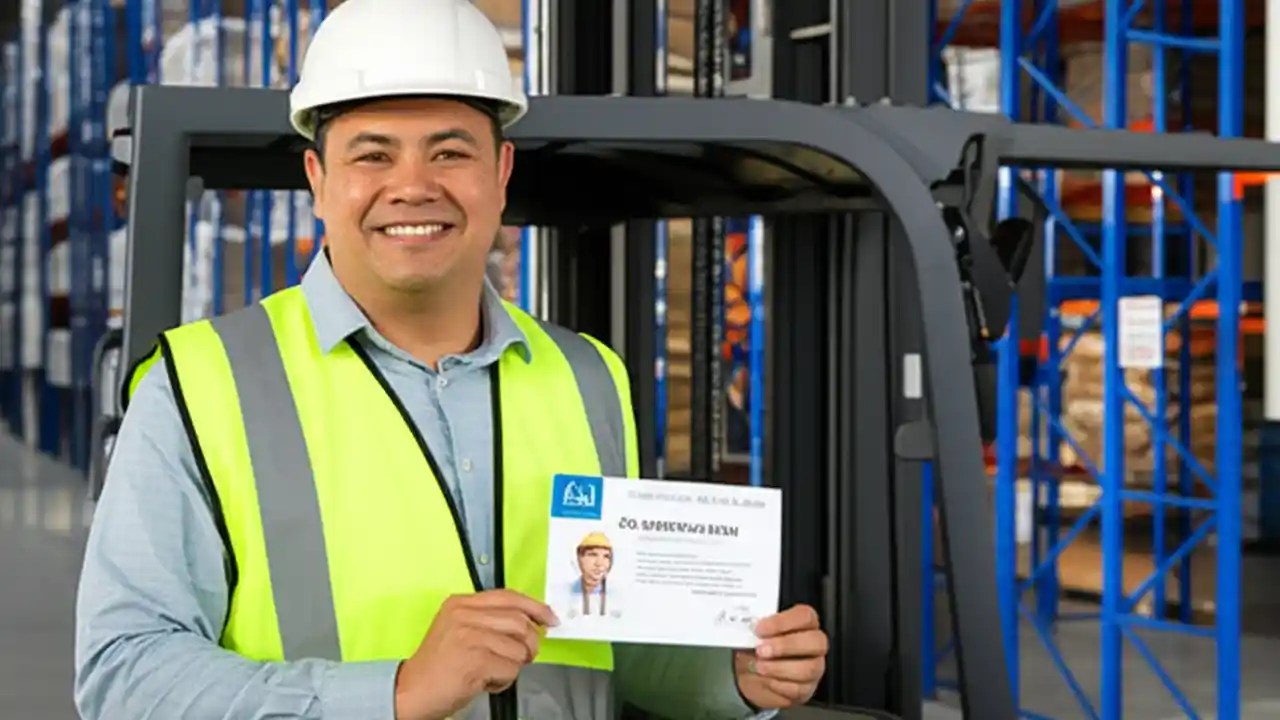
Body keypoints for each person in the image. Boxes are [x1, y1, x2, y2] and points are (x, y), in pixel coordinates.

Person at [72, 0, 829, 718]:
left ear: (499, 174)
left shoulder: (588, 377)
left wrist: (728, 678)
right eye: (373, 155)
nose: (412, 187)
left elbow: (604, 643)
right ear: (318, 181)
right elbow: (123, 673)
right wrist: (394, 694)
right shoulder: (201, 386)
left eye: (449, 152)